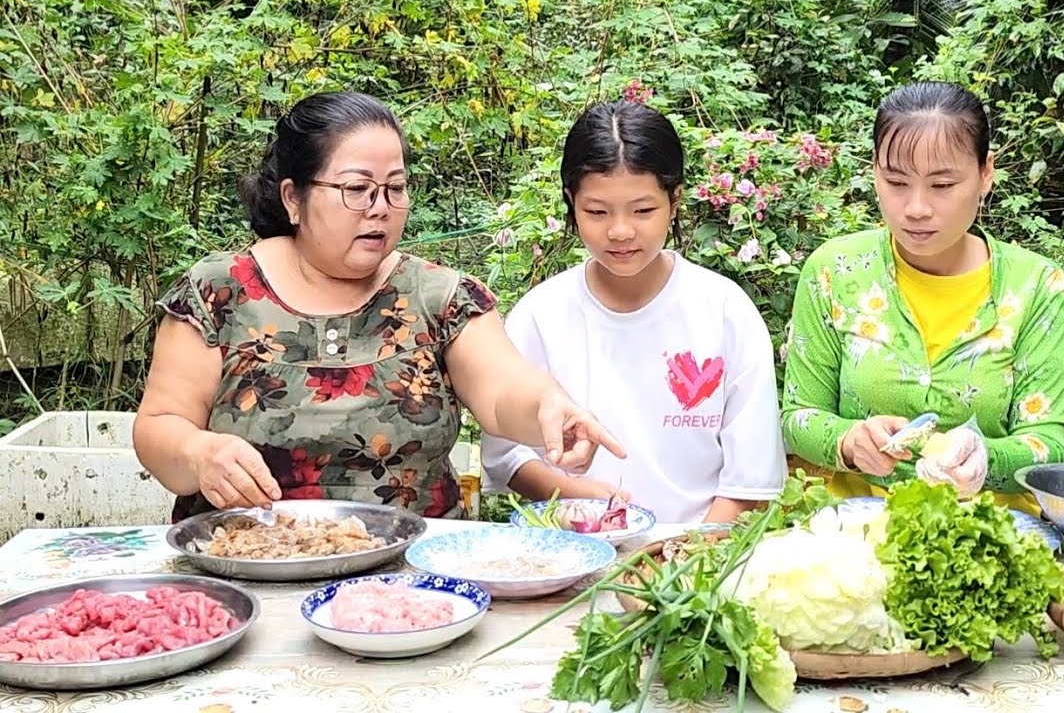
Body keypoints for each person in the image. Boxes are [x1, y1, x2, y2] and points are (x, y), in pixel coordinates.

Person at [133, 91, 625, 522]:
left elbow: (501, 392)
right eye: (356, 189)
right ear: (293, 198)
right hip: (245, 561)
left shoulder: (439, 297)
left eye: (395, 187)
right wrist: (198, 452)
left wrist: (548, 406)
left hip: (412, 574)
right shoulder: (219, 292)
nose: (380, 207)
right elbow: (159, 427)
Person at [481, 100, 786, 524]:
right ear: (571, 202)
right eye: (596, 211)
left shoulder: (724, 311)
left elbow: (750, 482)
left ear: (675, 200)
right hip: (573, 554)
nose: (620, 231)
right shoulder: (540, 316)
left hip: (698, 570)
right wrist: (575, 496)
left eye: (643, 210)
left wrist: (681, 562)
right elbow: (505, 455)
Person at [780, 81, 1064, 515]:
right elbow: (798, 416)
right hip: (854, 537)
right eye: (896, 182)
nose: (916, 207)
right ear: (874, 172)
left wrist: (985, 459)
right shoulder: (834, 272)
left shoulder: (1035, 286)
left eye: (942, 185)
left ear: (985, 173)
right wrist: (848, 441)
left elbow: (1047, 440)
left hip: (994, 537)